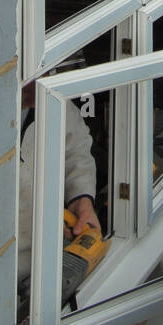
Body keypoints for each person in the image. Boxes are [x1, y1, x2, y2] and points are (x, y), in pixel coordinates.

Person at [17, 78, 101, 289]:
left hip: (43, 257)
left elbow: (75, 148)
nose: (36, 92)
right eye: (24, 82)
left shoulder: (45, 95)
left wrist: (80, 196)